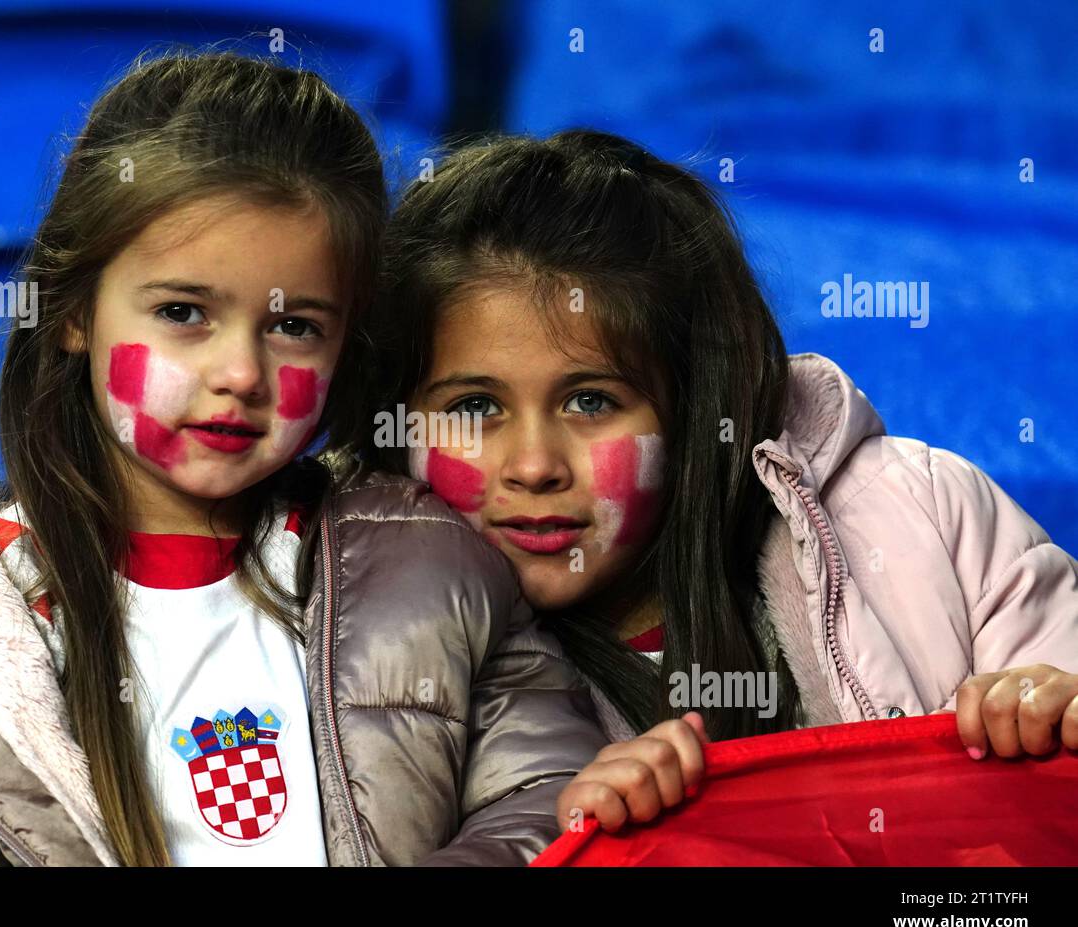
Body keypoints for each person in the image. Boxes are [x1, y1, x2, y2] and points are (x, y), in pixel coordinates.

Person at [0, 53, 609, 867]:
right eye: (184, 312)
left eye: (294, 326)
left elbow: (545, 799)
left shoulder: (431, 562)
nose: (242, 374)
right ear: (74, 314)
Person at [336, 130, 1078, 834]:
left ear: (695, 408)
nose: (534, 466)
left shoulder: (926, 516)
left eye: (591, 402)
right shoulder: (359, 656)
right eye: (475, 408)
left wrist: (1057, 726)